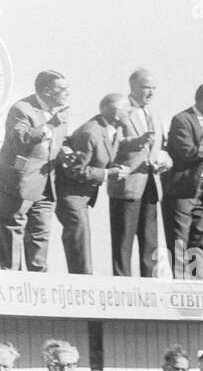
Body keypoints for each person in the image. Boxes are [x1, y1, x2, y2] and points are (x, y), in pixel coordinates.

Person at [0, 70, 70, 272]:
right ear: (47, 90)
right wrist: (50, 125)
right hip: (19, 185)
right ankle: (11, 290)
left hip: (46, 186)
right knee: (13, 233)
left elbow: (58, 140)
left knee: (40, 235)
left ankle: (39, 288)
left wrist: (66, 151)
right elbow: (21, 139)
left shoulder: (59, 113)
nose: (67, 94)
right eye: (62, 89)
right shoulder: (22, 109)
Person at [56, 93, 131, 274]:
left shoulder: (110, 130)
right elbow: (75, 170)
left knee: (81, 240)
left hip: (83, 195)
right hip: (72, 196)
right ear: (115, 113)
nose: (131, 114)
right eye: (127, 111)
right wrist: (107, 173)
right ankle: (83, 285)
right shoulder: (90, 132)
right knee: (79, 241)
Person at [109, 69, 171, 277]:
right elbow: (112, 144)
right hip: (127, 185)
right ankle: (122, 286)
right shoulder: (121, 110)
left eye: (154, 89)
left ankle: (150, 287)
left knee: (150, 241)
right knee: (123, 241)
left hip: (151, 184)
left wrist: (165, 160)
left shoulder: (155, 114)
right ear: (133, 87)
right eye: (146, 88)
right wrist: (137, 142)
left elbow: (162, 147)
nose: (151, 93)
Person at [162, 83, 203, 279]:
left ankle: (197, 284)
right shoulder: (182, 120)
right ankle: (180, 284)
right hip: (182, 190)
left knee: (200, 238)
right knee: (179, 240)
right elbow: (187, 152)